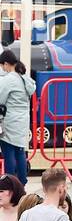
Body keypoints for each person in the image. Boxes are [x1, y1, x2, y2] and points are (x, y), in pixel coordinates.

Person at [0, 48, 34, 182]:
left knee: (8, 152)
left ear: (6, 64)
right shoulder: (25, 78)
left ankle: (10, 183)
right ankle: (22, 182)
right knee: (20, 152)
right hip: (23, 121)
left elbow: (1, 100)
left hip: (10, 121)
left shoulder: (8, 80)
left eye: (2, 66)